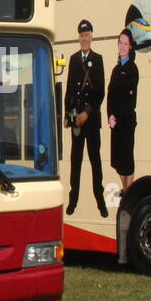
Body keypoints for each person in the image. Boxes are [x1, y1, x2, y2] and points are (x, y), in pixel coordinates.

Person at [65, 19, 108, 217]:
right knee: (76, 161)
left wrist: (87, 113)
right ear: (79, 38)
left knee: (95, 160)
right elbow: (69, 89)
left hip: (90, 119)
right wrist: (68, 114)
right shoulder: (74, 59)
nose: (84, 39)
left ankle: (100, 202)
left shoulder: (98, 59)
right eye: (82, 36)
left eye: (87, 35)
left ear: (92, 36)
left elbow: (100, 92)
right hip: (76, 118)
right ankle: (73, 201)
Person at [107, 28, 138, 194]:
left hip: (126, 120)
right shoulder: (115, 70)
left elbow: (129, 97)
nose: (123, 46)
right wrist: (109, 115)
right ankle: (126, 188)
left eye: (126, 43)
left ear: (130, 46)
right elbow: (110, 94)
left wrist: (117, 114)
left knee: (127, 157)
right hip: (116, 121)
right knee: (117, 159)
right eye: (120, 43)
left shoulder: (132, 69)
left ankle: (128, 190)